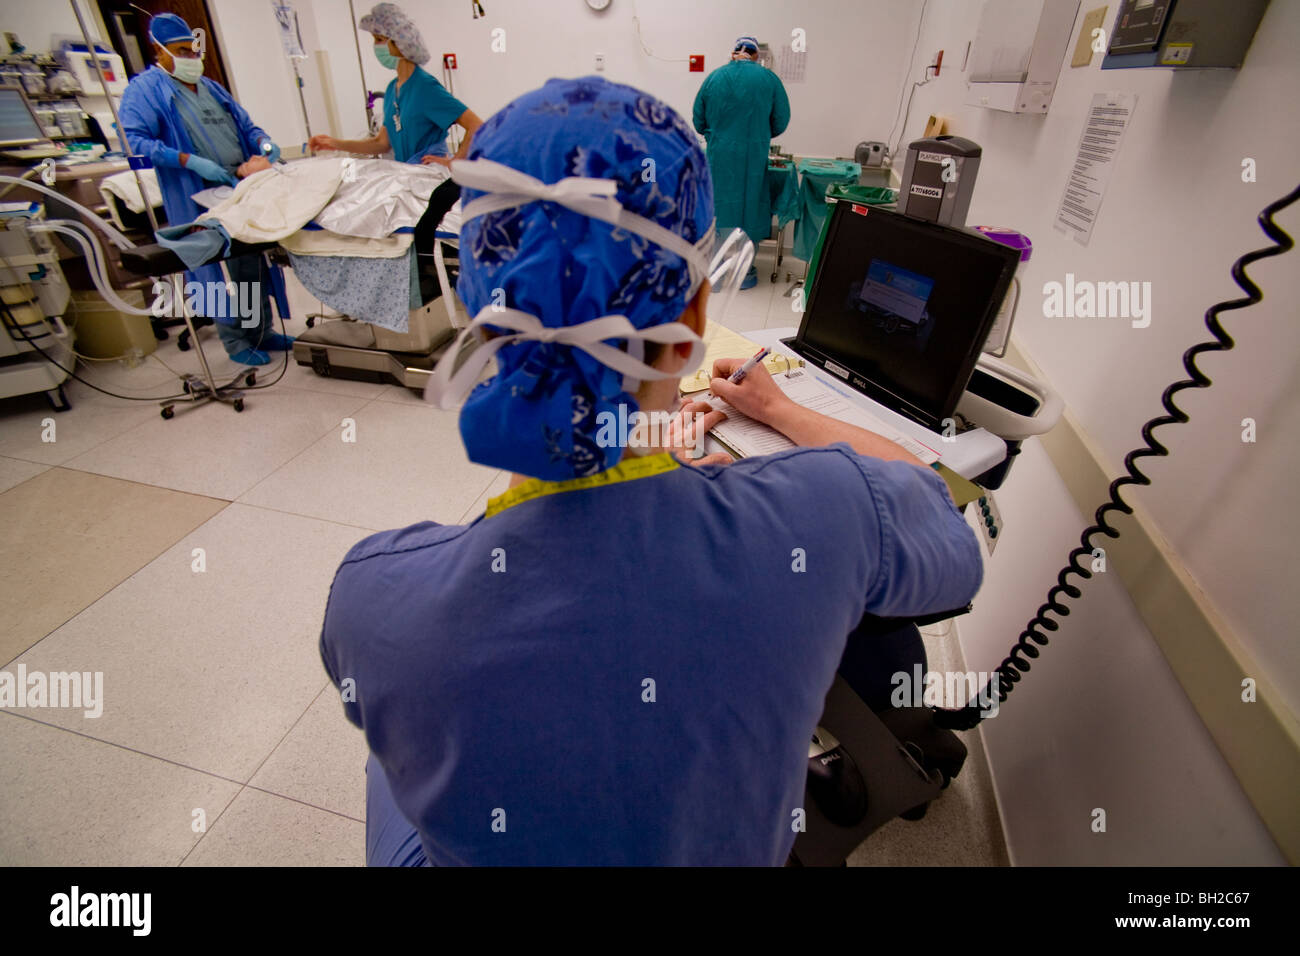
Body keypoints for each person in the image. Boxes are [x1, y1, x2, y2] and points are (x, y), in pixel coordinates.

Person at [319, 77, 981, 866]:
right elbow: (945, 526)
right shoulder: (827, 514)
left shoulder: (373, 596)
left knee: (390, 762)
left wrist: (622, 458)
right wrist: (774, 417)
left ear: (477, 310)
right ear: (693, 318)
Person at [119, 12, 292, 366]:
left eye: (193, 50)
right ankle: (234, 340)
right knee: (208, 266)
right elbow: (135, 140)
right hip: (193, 191)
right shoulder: (146, 90)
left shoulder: (211, 87)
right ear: (159, 51)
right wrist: (188, 160)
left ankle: (261, 330)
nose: (190, 58)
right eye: (180, 51)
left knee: (249, 262)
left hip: (236, 187)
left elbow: (246, 125)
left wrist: (263, 144)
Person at [308, 3, 483, 271]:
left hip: (426, 172)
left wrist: (455, 162)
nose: (376, 47)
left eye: (379, 40)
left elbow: (475, 124)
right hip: (403, 171)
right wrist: (335, 143)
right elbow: (381, 143)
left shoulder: (425, 86)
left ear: (399, 43)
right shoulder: (392, 90)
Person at [692, 35, 791, 289]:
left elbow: (699, 121)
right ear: (756, 55)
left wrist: (719, 135)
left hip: (719, 157)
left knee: (717, 211)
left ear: (734, 52)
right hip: (753, 157)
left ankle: (713, 274)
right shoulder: (768, 79)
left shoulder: (714, 78)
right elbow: (780, 121)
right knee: (749, 209)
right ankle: (743, 275)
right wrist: (757, 133)